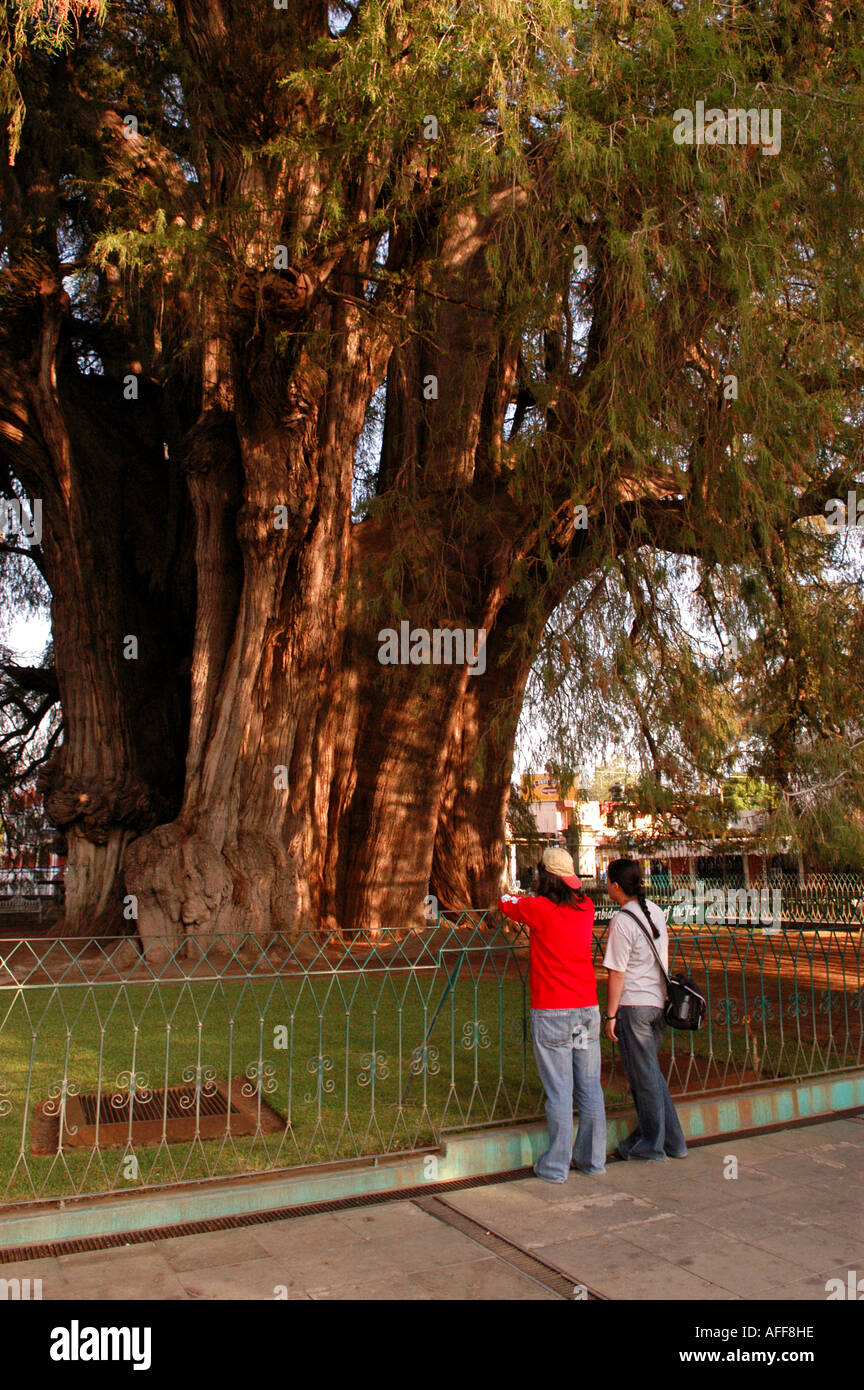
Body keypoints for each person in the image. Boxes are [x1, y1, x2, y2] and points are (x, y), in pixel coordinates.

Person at [498, 846, 606, 1180]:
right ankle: (593, 1160)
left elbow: (505, 903)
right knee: (589, 1087)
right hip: (586, 1006)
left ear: (543, 876)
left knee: (559, 1090)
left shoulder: (537, 909)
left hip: (553, 1010)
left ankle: (557, 1166)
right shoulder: (586, 907)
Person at [602, 858, 688, 1161]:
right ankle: (672, 1141)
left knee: (644, 1079)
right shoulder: (655, 912)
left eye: (607, 879)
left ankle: (652, 1145)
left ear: (615, 885)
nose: (605, 884)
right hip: (656, 1003)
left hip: (634, 1006)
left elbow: (617, 972)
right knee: (650, 1076)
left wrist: (610, 1015)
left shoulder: (622, 921)